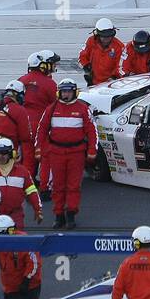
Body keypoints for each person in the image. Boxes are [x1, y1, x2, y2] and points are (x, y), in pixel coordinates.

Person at [36, 79, 99, 229]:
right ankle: (58, 216)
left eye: (69, 91)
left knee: (73, 186)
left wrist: (92, 150)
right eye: (64, 91)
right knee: (57, 186)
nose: (66, 94)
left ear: (74, 92)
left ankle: (71, 214)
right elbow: (42, 129)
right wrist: (38, 148)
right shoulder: (51, 109)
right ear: (59, 92)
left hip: (76, 153)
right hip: (56, 153)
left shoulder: (83, 109)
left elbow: (92, 131)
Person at [0, 137, 44, 227]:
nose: (0, 156)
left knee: (17, 239)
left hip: (15, 215)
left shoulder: (22, 171)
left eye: (4, 153)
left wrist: (38, 209)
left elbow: (32, 191)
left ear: (12, 154)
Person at [79, 18, 126, 85]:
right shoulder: (90, 41)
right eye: (103, 36)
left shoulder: (119, 47)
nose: (106, 39)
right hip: (93, 82)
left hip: (112, 83)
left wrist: (114, 77)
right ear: (97, 35)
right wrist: (87, 69)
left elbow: (121, 66)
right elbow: (82, 56)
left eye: (109, 36)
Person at [20, 49, 60, 120]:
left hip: (21, 121)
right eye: (53, 64)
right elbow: (58, 105)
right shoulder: (50, 84)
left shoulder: (21, 80)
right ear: (44, 65)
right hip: (41, 122)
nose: (55, 66)